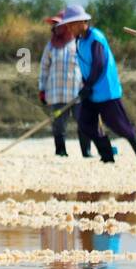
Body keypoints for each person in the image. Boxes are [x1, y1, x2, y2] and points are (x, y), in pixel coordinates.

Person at [57, 5, 136, 163]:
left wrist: (89, 85)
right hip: (90, 91)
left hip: (106, 90)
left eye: (71, 24)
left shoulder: (95, 38)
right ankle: (106, 155)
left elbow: (99, 64)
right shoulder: (79, 41)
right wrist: (85, 86)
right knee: (85, 123)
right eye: (68, 25)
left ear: (82, 22)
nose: (69, 28)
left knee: (118, 124)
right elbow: (85, 66)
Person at [38, 9, 91, 158]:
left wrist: (90, 86)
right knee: (58, 125)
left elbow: (88, 65)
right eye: (54, 25)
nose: (54, 28)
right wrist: (42, 90)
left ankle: (86, 151)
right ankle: (60, 151)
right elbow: (44, 68)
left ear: (67, 25)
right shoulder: (50, 46)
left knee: (84, 123)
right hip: (56, 94)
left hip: (77, 93)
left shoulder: (79, 44)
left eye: (57, 24)